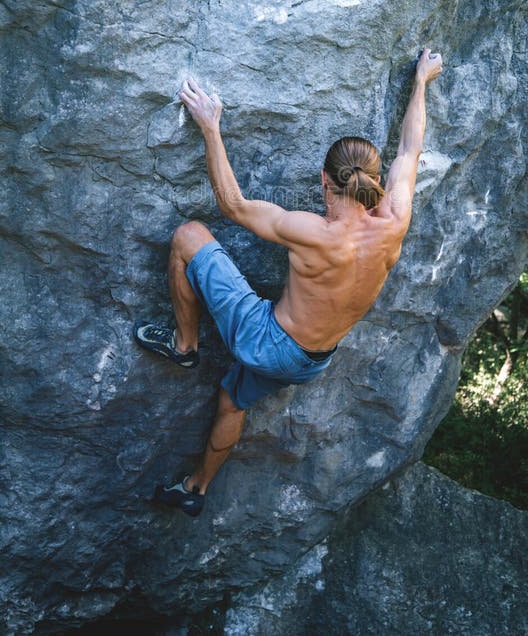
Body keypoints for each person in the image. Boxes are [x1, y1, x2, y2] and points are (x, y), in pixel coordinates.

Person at [134, 48, 443, 516]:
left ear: (324, 181)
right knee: (231, 401)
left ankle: (184, 345)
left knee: (188, 237)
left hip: (268, 341)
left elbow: (233, 206)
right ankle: (195, 489)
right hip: (311, 362)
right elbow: (410, 148)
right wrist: (421, 82)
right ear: (374, 182)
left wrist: (211, 127)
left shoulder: (313, 233)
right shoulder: (395, 220)